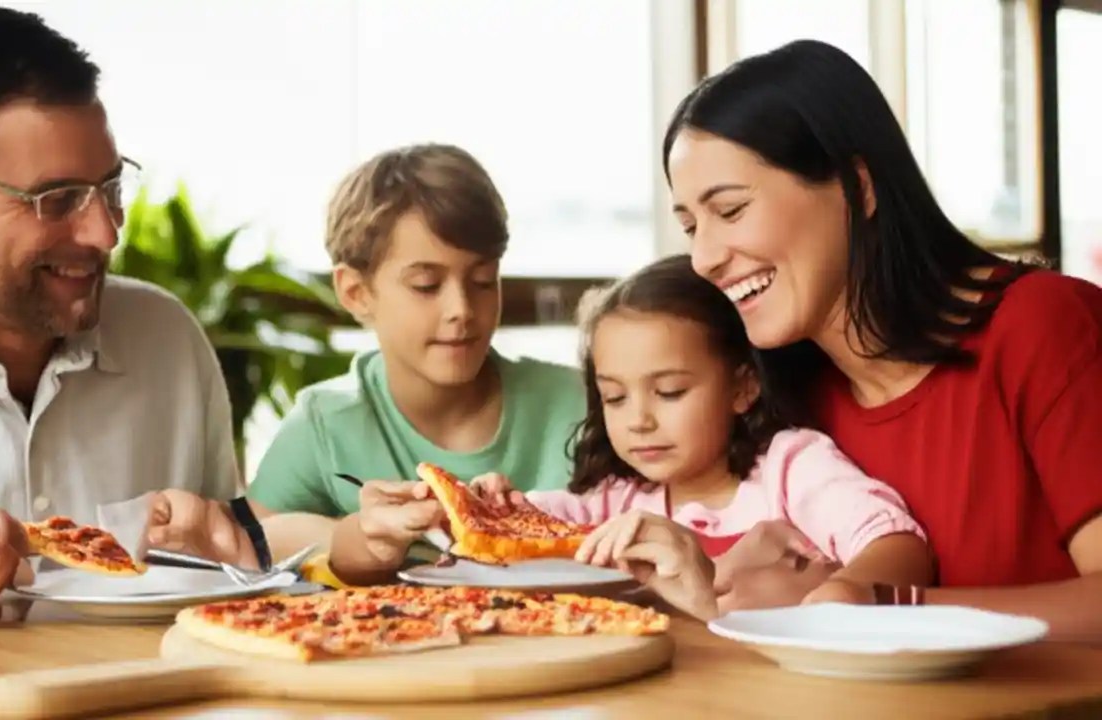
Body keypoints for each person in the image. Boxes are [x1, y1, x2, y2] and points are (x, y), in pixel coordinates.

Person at [0, 4, 323, 637]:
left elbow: (229, 585)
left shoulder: (166, 340)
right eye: (54, 200)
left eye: (110, 189)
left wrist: (231, 556)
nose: (104, 232)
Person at [662, 39, 1102, 640]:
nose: (704, 258)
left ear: (856, 187)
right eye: (690, 226)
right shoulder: (789, 402)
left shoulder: (1043, 325)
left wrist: (882, 606)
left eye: (731, 211)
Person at [458, 254, 932, 619]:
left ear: (742, 387)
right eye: (615, 398)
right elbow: (511, 536)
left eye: (669, 391)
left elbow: (896, 545)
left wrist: (836, 598)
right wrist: (484, 506)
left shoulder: (792, 468)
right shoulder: (616, 504)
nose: (639, 420)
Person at [240, 143, 584, 583]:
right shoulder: (324, 425)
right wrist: (353, 538)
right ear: (356, 293)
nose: (461, 308)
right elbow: (254, 544)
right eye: (426, 285)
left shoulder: (579, 404)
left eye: (482, 281)